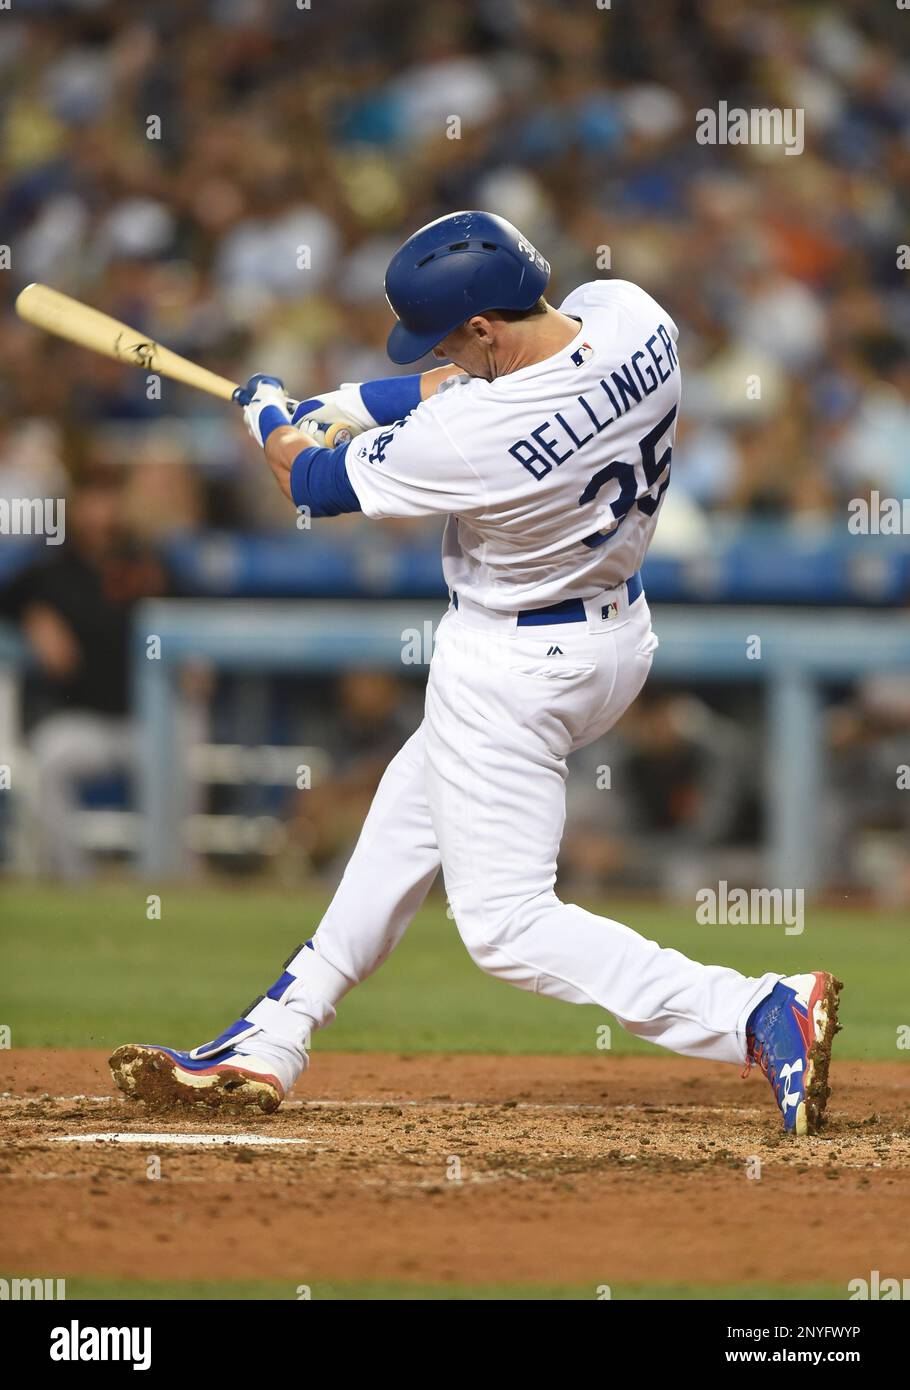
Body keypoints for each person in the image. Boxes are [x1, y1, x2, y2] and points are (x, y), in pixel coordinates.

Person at [111, 211, 841, 1135]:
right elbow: (467, 383)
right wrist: (346, 401)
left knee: (503, 925)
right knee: (408, 816)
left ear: (485, 327)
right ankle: (272, 1036)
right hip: (614, 637)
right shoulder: (631, 315)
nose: (443, 354)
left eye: (453, 337)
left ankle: (755, 1007)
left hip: (512, 662)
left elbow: (314, 485)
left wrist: (269, 413)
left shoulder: (470, 437)